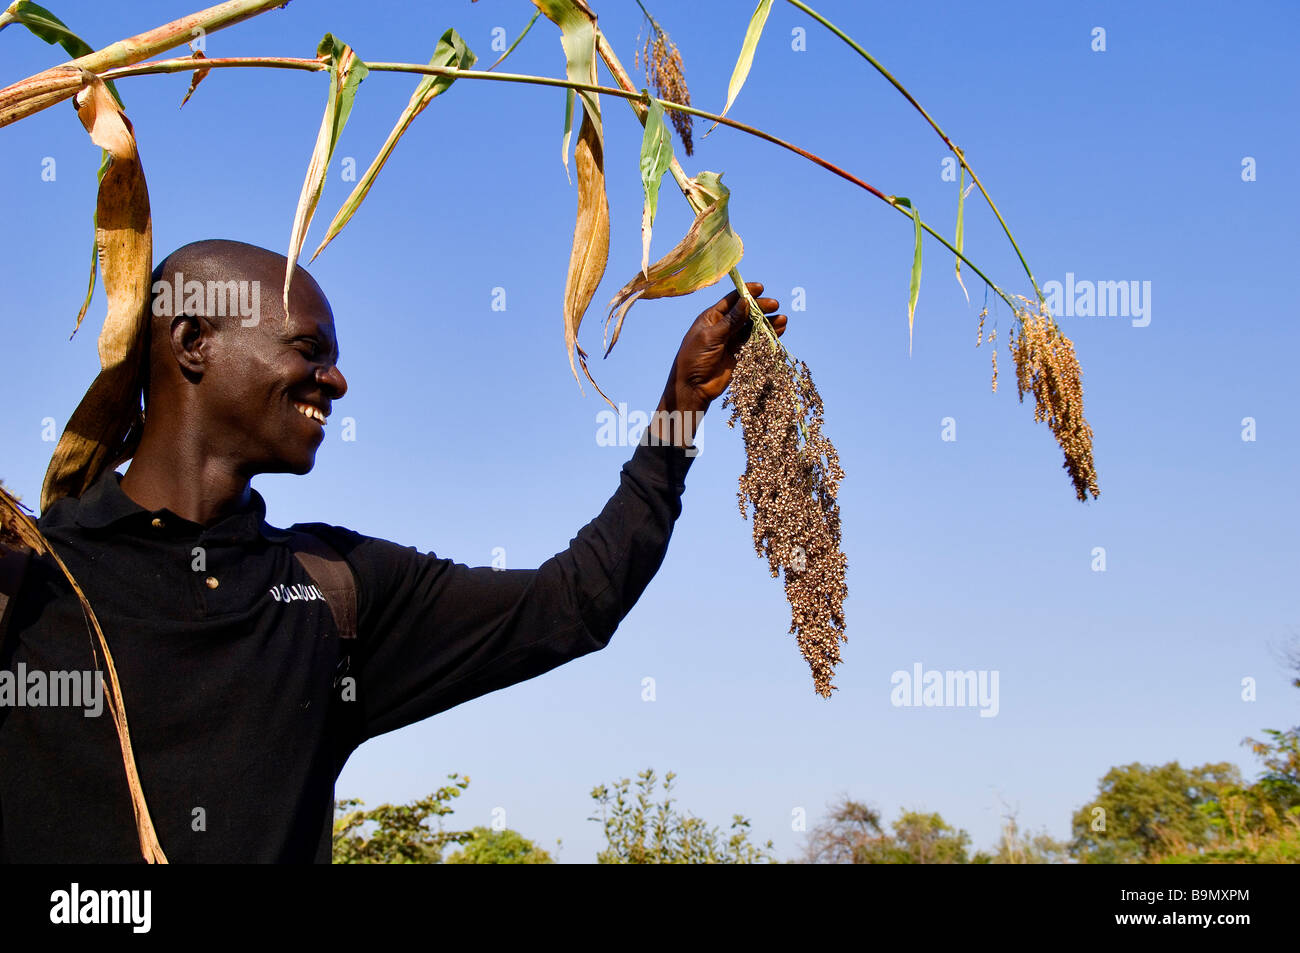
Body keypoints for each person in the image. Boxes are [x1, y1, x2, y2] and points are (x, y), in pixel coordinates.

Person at [0, 239, 786, 862]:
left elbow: (571, 603)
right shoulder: (28, 580)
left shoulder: (331, 592)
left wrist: (678, 413)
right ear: (194, 340)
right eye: (309, 348)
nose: (336, 381)